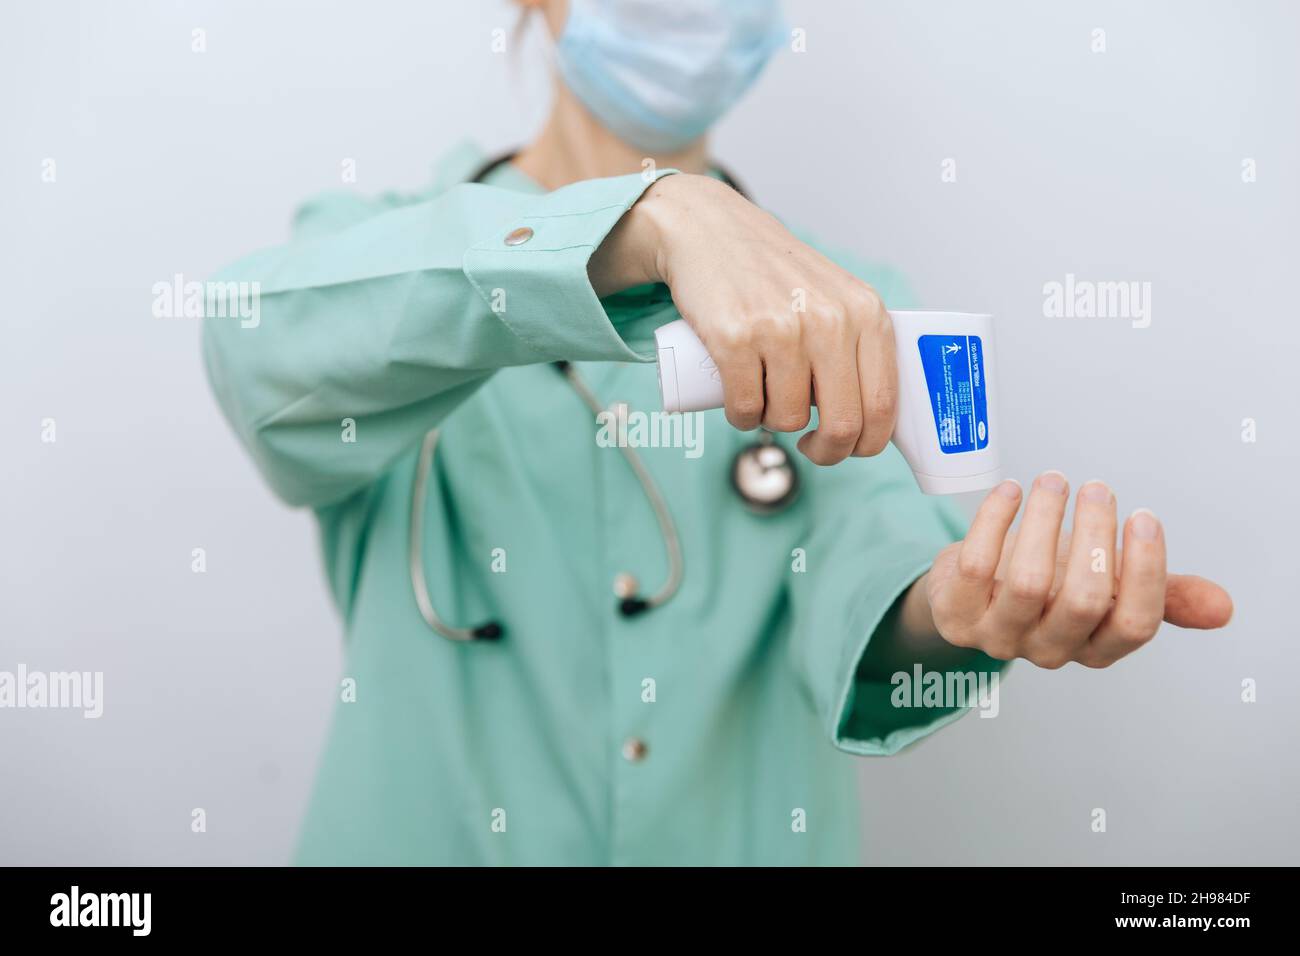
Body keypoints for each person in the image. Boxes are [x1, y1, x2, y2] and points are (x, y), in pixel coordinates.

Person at [202, 0, 1233, 865]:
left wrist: (956, 610)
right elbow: (260, 346)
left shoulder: (853, 307)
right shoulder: (384, 259)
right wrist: (634, 227)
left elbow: (871, 564)